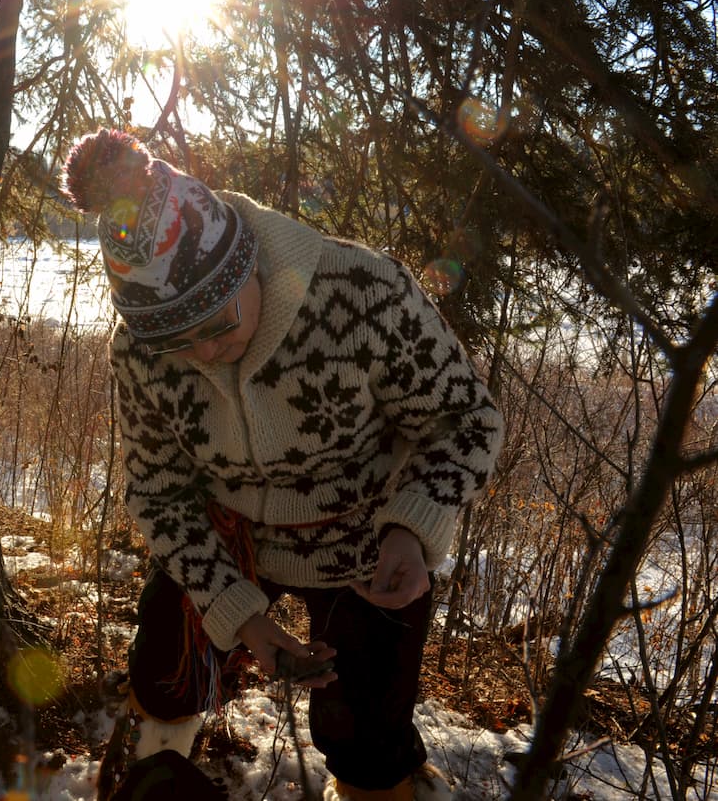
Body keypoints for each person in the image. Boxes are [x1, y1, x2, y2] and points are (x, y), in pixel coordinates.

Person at [61, 129, 505, 801]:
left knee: (365, 732)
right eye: (175, 342)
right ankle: (152, 772)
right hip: (231, 532)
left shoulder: (363, 290)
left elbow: (466, 418)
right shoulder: (140, 351)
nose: (203, 354)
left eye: (216, 324)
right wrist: (237, 613)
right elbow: (158, 491)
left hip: (364, 536)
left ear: (248, 267)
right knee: (164, 669)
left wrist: (412, 528)